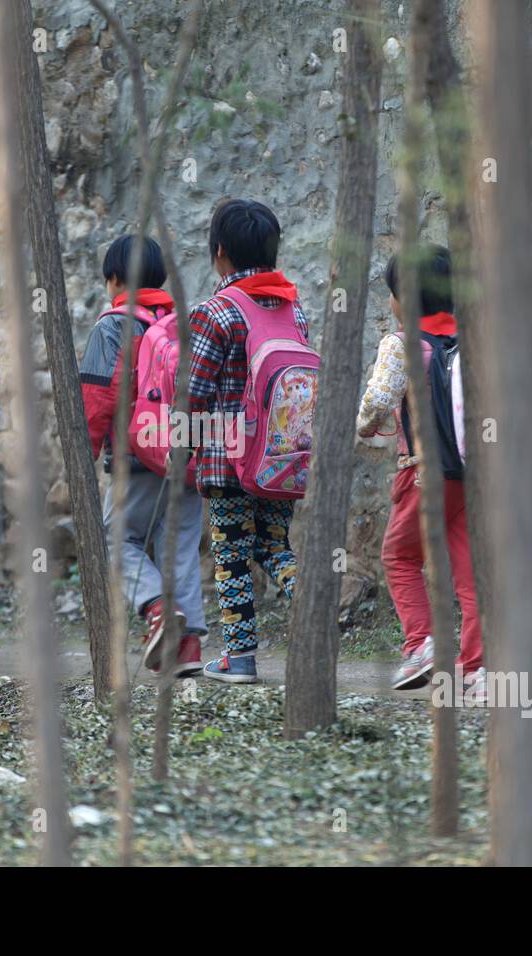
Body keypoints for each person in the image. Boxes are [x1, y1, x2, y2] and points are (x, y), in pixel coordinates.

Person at [186, 199, 308, 684]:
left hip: (227, 461)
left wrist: (178, 449)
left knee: (232, 555)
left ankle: (239, 659)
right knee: (274, 546)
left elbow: (193, 394)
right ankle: (313, 601)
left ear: (220, 252)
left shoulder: (215, 312)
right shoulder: (295, 312)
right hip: (281, 457)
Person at [358, 247, 483, 696]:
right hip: (468, 478)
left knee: (400, 556)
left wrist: (365, 424)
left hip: (421, 474)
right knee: (469, 572)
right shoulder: (469, 342)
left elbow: (378, 399)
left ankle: (422, 646)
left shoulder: (402, 344)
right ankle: (479, 669)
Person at [80, 234, 206, 677]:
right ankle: (187, 648)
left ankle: (156, 608)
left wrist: (84, 454)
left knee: (116, 539)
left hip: (136, 458)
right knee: (181, 547)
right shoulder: (184, 325)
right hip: (187, 456)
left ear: (114, 279)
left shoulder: (113, 327)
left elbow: (97, 398)